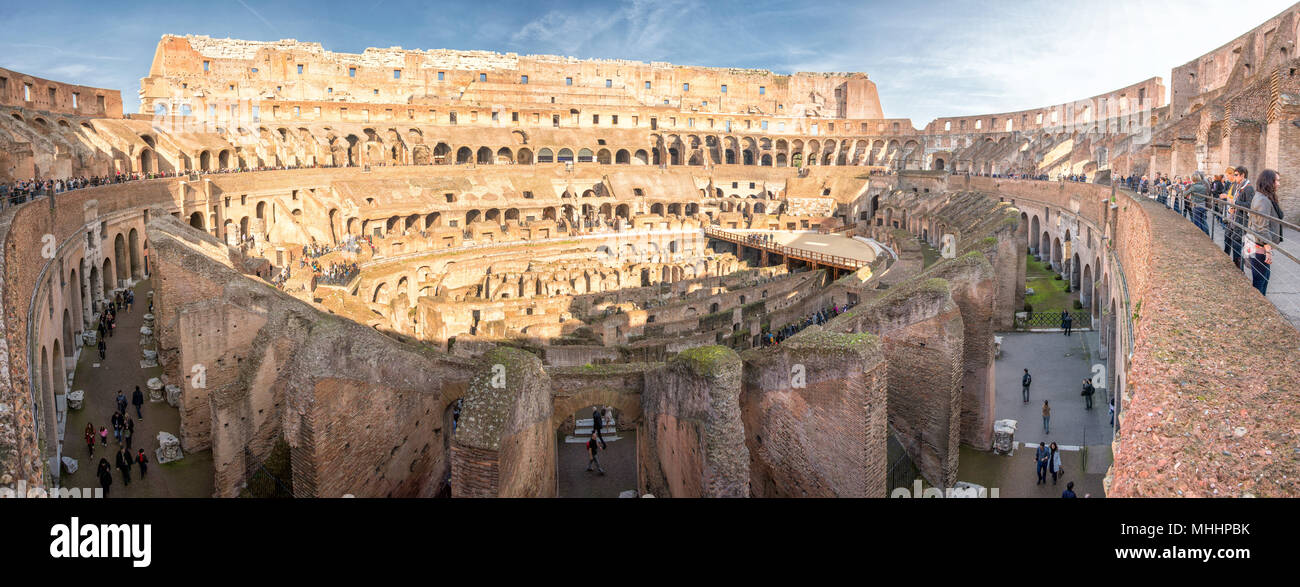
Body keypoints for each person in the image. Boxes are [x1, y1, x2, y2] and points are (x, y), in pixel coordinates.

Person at [1247, 169, 1282, 296]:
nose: (1278, 184)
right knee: (1260, 281)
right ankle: (1257, 307)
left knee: (1264, 278)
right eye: (1276, 180)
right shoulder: (1263, 200)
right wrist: (1268, 250)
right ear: (1268, 181)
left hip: (1259, 246)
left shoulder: (1264, 197)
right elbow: (1262, 228)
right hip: (1260, 248)